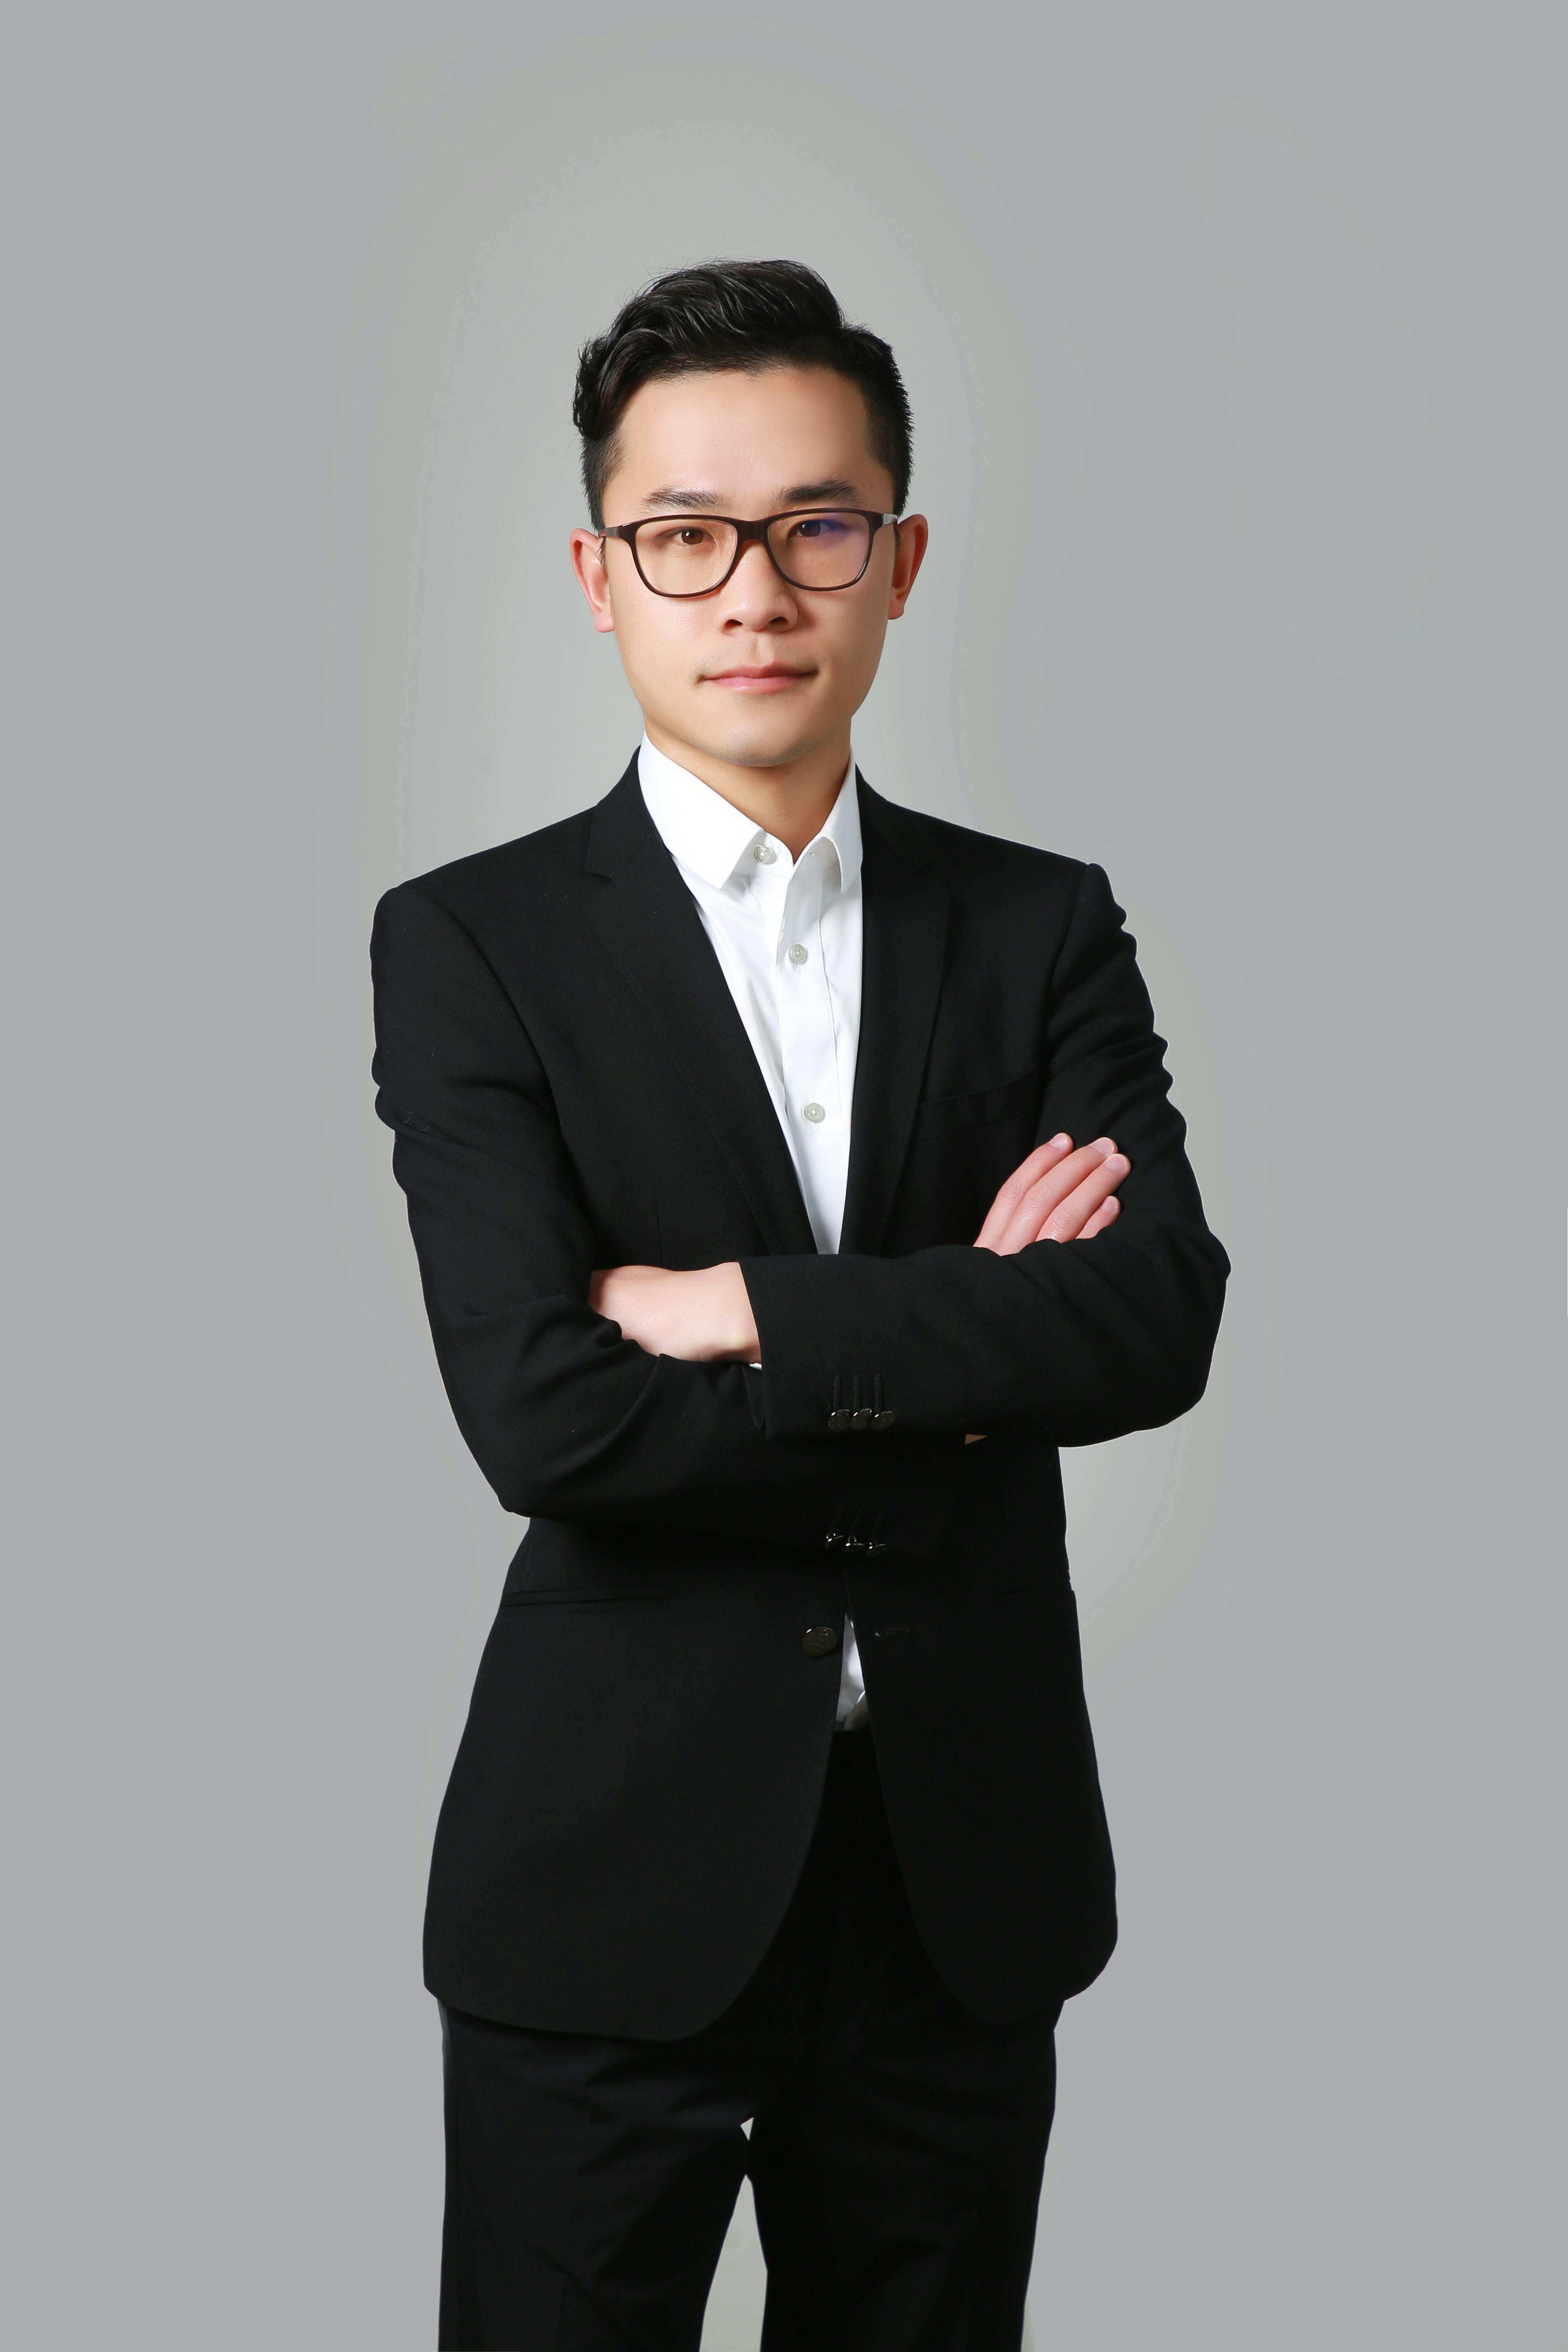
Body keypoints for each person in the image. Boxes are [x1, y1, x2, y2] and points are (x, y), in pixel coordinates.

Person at [370, 258, 1229, 2351]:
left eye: (815, 527)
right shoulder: (472, 944)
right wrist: (960, 1355)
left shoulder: (1038, 928)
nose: (754, 590)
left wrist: (750, 1304)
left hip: (961, 1874)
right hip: (611, 1880)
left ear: (899, 558)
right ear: (603, 573)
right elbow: (548, 1419)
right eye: (688, 538)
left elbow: (1151, 1329)